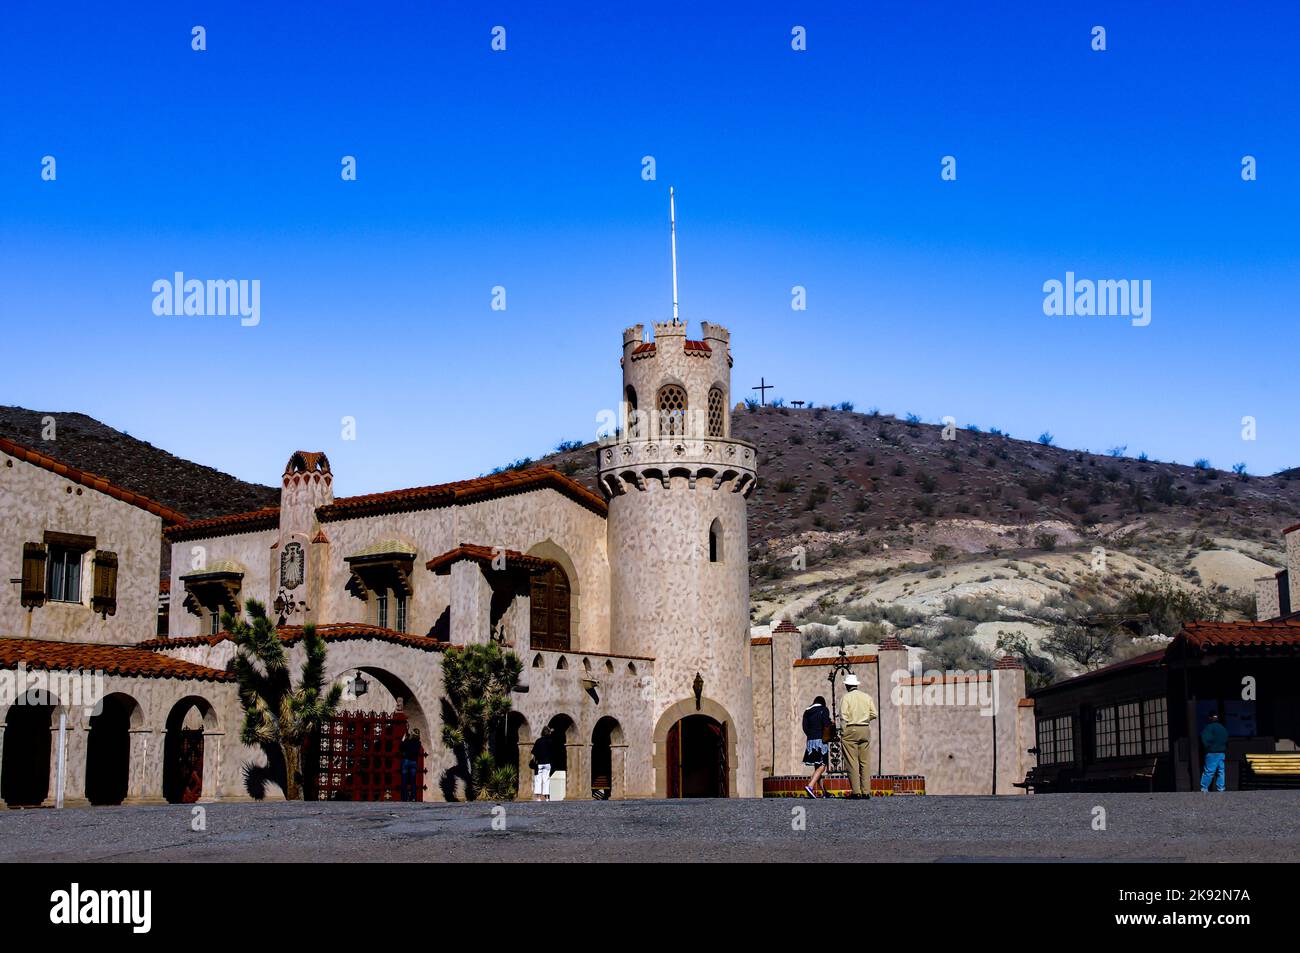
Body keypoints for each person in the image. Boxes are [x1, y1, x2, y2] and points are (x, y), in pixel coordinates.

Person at [839, 673, 878, 799]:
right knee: (865, 762)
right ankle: (866, 791)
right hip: (865, 729)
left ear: (847, 685)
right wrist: (865, 719)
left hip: (851, 728)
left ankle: (856, 791)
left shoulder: (846, 697)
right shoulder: (866, 697)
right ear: (856, 684)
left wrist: (843, 731)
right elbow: (874, 714)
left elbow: (843, 716)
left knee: (852, 761)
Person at [801, 696, 834, 797]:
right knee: (822, 766)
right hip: (820, 740)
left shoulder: (807, 711)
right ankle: (810, 786)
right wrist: (831, 722)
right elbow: (826, 724)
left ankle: (824, 792)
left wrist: (811, 735)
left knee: (817, 767)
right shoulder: (824, 709)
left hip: (810, 741)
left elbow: (805, 727)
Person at [1200, 712, 1228, 793]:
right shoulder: (1222, 727)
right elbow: (1226, 738)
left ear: (1210, 718)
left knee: (1209, 771)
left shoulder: (1209, 727)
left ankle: (1204, 788)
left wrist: (1208, 747)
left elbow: (1205, 739)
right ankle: (1221, 788)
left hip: (1212, 752)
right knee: (1221, 771)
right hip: (1221, 752)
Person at [531, 726, 555, 801]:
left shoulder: (538, 741)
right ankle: (547, 797)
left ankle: (538, 797)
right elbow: (552, 753)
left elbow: (534, 752)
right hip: (547, 763)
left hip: (539, 763)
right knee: (546, 780)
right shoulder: (550, 741)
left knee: (538, 780)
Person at [399, 727, 423, 802]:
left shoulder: (408, 741)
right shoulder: (419, 743)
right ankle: (413, 797)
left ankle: (404, 798)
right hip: (414, 762)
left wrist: (404, 739)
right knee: (413, 781)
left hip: (406, 761)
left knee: (404, 780)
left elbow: (401, 748)